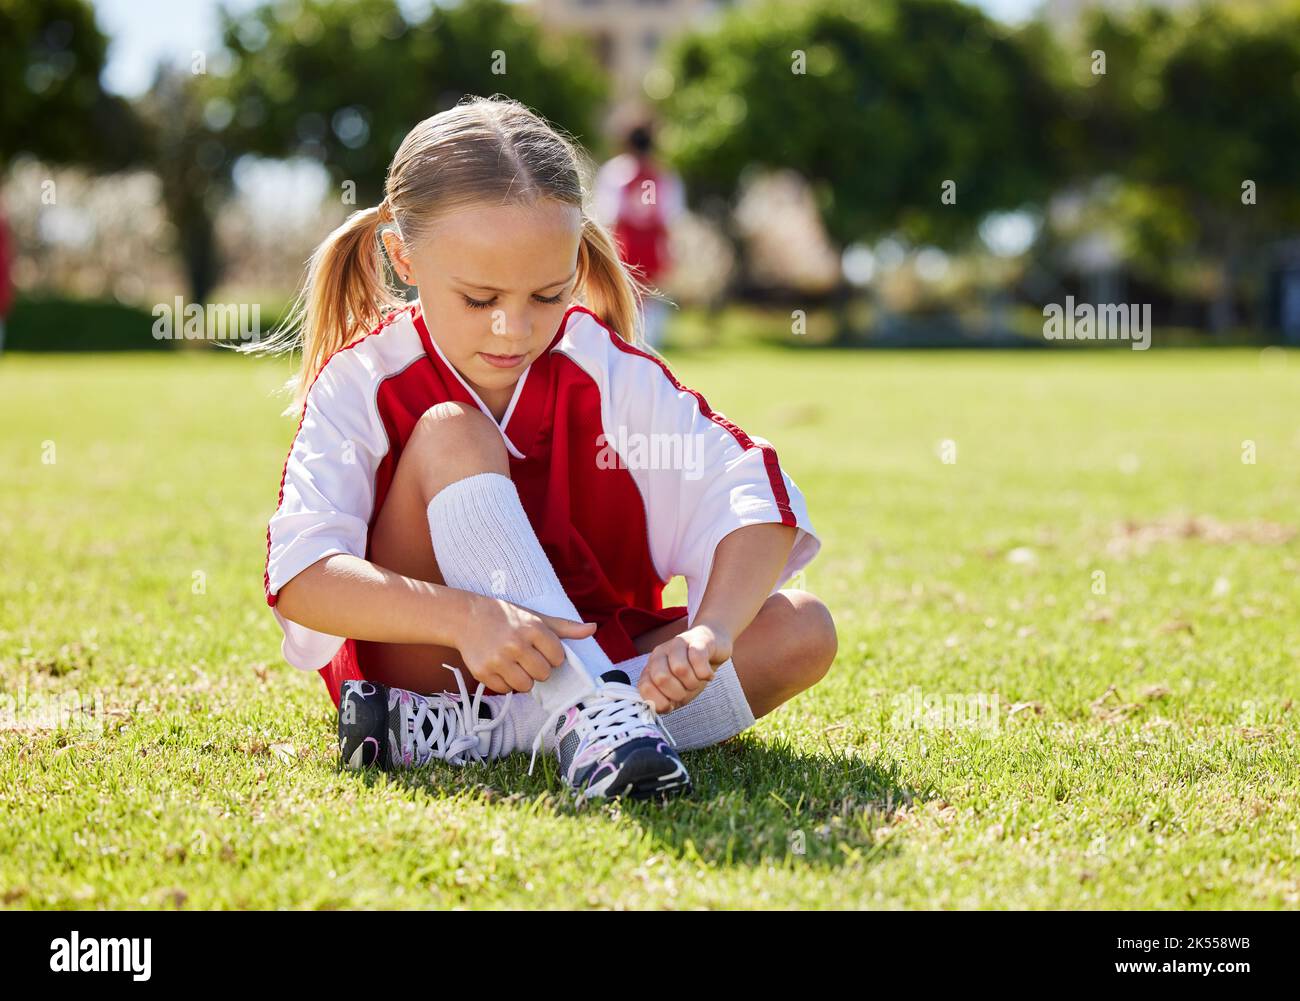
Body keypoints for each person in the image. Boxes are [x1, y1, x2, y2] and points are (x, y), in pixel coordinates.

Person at [256, 96, 836, 802]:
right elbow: (304, 575)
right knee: (450, 431)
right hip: (428, 667)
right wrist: (466, 618)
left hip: (585, 662)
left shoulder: (604, 366)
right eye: (478, 298)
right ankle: (583, 712)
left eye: (547, 293)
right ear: (404, 257)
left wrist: (708, 632)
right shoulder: (363, 381)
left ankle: (516, 730)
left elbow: (753, 493)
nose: (513, 329)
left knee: (802, 628)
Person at [594, 121, 684, 350]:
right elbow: (671, 221)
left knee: (621, 306)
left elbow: (606, 219)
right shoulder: (664, 176)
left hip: (623, 250)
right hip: (652, 251)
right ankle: (648, 352)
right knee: (651, 308)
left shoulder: (615, 173)